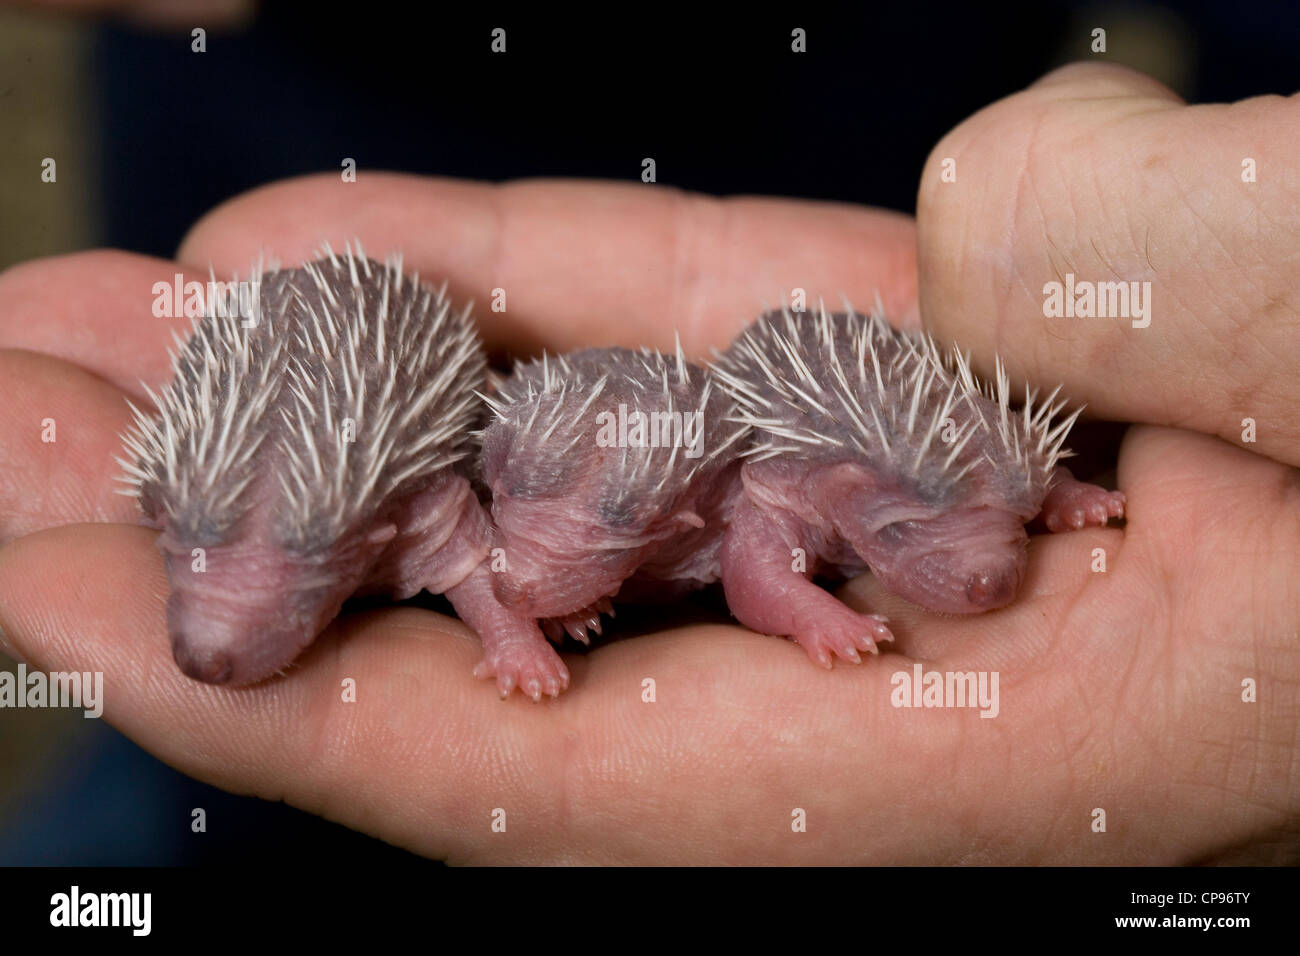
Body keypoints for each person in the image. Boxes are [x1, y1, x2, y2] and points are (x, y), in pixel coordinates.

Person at [0, 63, 1294, 864]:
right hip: (311, 81)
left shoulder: (804, 476)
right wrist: (515, 625)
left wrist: (1070, 488)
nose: (981, 586)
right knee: (174, 757)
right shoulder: (425, 496)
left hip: (856, 79)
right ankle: (136, 808)